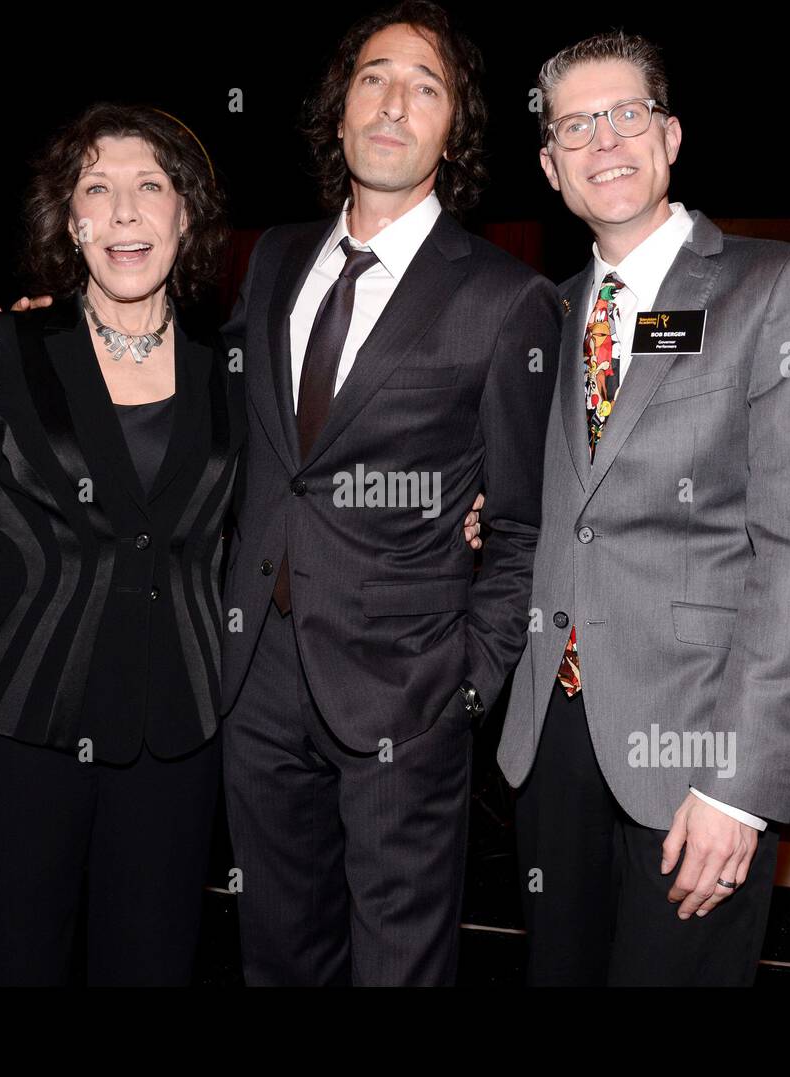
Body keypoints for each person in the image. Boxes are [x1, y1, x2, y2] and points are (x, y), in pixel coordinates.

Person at [497, 30, 790, 986]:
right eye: (577, 125)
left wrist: (741, 791)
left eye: (627, 115)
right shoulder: (544, 311)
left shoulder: (776, 285)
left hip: (699, 739)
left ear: (671, 136)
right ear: (550, 166)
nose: (604, 139)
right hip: (552, 742)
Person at [219, 1, 561, 985]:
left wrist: (468, 683)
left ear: (451, 134)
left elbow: (525, 524)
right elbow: (226, 432)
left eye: (426, 85)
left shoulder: (504, 299)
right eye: (373, 76)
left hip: (407, 690)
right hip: (257, 676)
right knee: (278, 955)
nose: (393, 101)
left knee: (399, 967)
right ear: (338, 112)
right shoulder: (273, 259)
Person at [0, 103, 244, 985]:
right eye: (98, 188)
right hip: (17, 736)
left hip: (175, 746)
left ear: (186, 213)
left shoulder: (235, 365)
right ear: (71, 221)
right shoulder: (0, 347)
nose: (125, 212)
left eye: (149, 187)